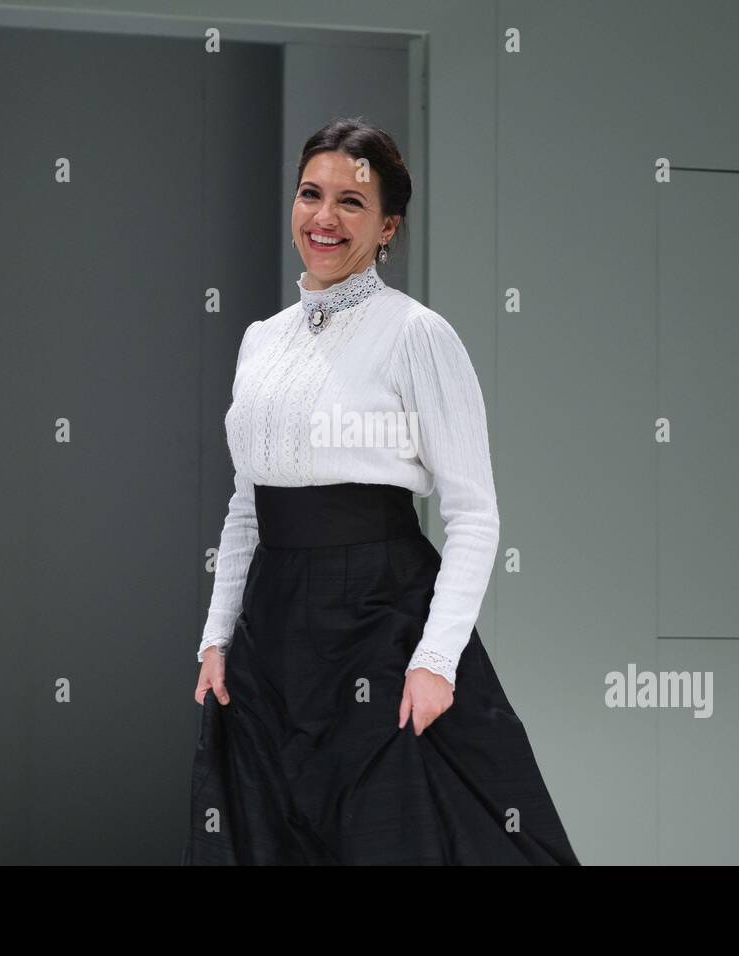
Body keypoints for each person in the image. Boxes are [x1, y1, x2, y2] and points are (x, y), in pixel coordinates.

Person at [182, 118, 580, 865]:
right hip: (272, 624)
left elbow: (473, 513)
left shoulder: (417, 334)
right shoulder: (260, 340)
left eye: (352, 202)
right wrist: (216, 635)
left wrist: (436, 660)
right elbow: (246, 505)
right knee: (271, 832)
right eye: (311, 194)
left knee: (394, 834)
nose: (324, 217)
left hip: (379, 618)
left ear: (388, 225)